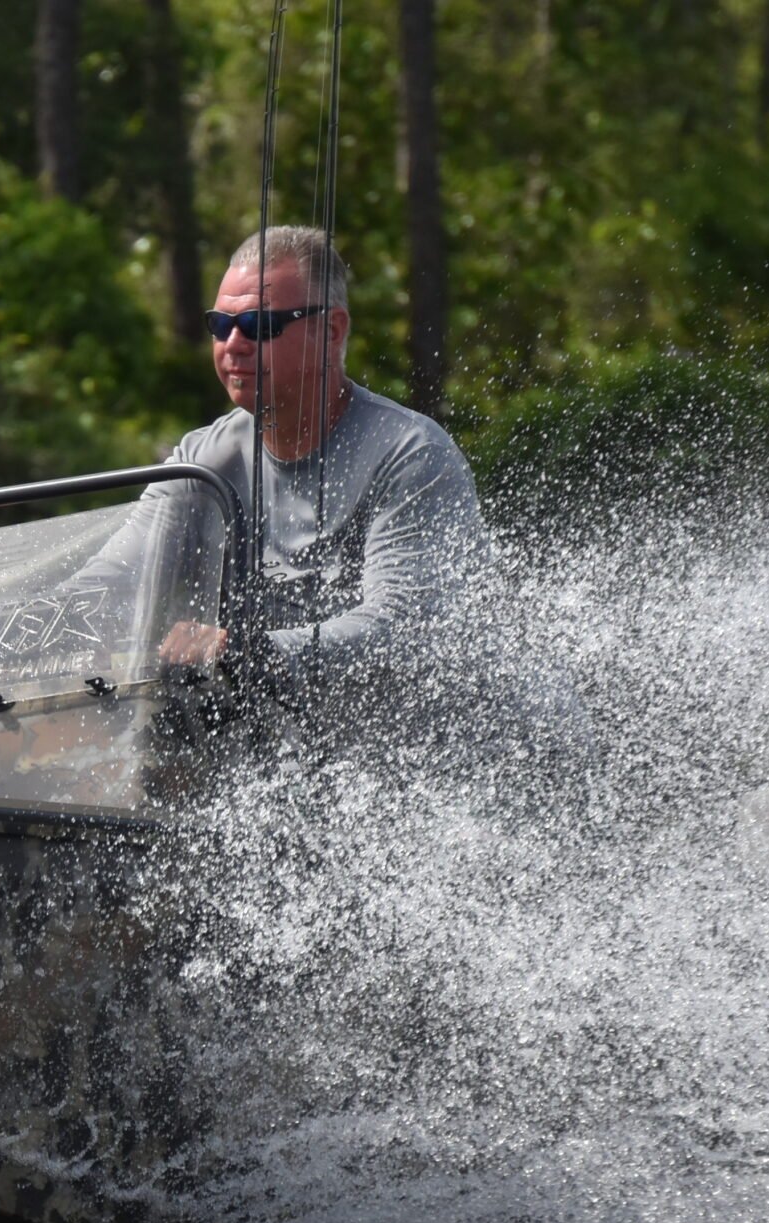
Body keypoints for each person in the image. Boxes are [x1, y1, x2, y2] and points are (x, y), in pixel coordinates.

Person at [89, 224, 590, 798]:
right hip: (341, 780)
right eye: (220, 325)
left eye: (260, 325)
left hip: (495, 775)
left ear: (332, 331)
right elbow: (111, 581)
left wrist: (242, 651)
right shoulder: (201, 462)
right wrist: (17, 634)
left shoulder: (411, 454)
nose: (234, 344)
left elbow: (405, 629)